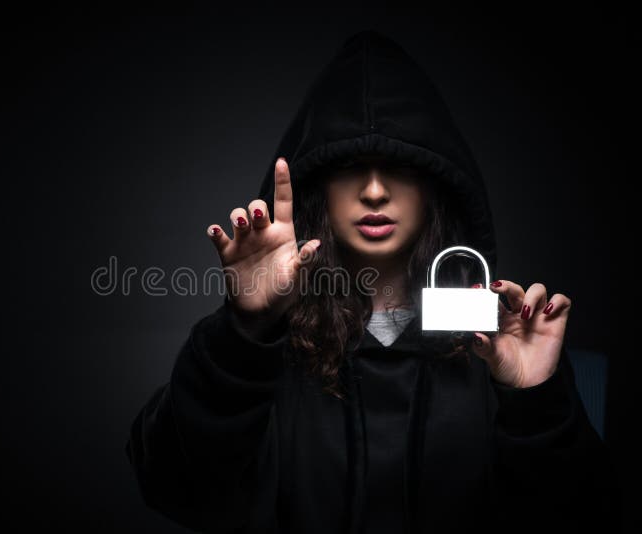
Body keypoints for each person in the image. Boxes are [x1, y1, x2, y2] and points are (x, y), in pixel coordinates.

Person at [125, 30, 619, 534]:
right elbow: (173, 485)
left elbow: (585, 515)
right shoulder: (263, 351)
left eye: (400, 168)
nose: (376, 191)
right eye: (352, 168)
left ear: (436, 183)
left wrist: (536, 403)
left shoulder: (494, 349)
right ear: (319, 185)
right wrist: (243, 330)